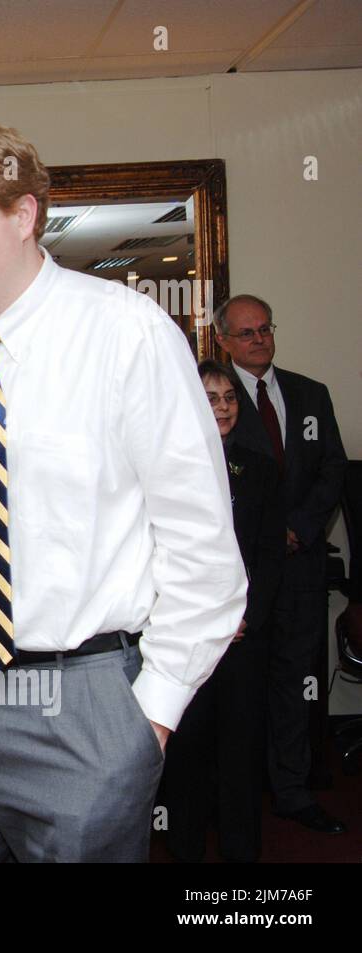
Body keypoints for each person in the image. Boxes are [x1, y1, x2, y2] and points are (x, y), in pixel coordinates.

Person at [0, 120, 246, 862]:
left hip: (80, 703)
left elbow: (201, 543)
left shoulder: (128, 333)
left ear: (23, 216)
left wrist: (149, 715)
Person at [218, 293, 348, 834]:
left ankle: (293, 789)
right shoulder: (211, 399)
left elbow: (333, 470)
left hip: (300, 570)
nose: (259, 339)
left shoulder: (309, 393)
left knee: (297, 684)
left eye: (265, 328)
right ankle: (237, 793)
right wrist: (271, 536)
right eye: (246, 333)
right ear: (223, 341)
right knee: (240, 692)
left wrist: (299, 527)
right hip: (241, 577)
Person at [161, 360, 284, 862]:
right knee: (187, 757)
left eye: (230, 397)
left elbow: (271, 553)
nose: (224, 407)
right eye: (211, 398)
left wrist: (245, 617)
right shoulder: (170, 465)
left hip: (242, 639)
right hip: (186, 638)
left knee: (240, 758)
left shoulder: (261, 468)